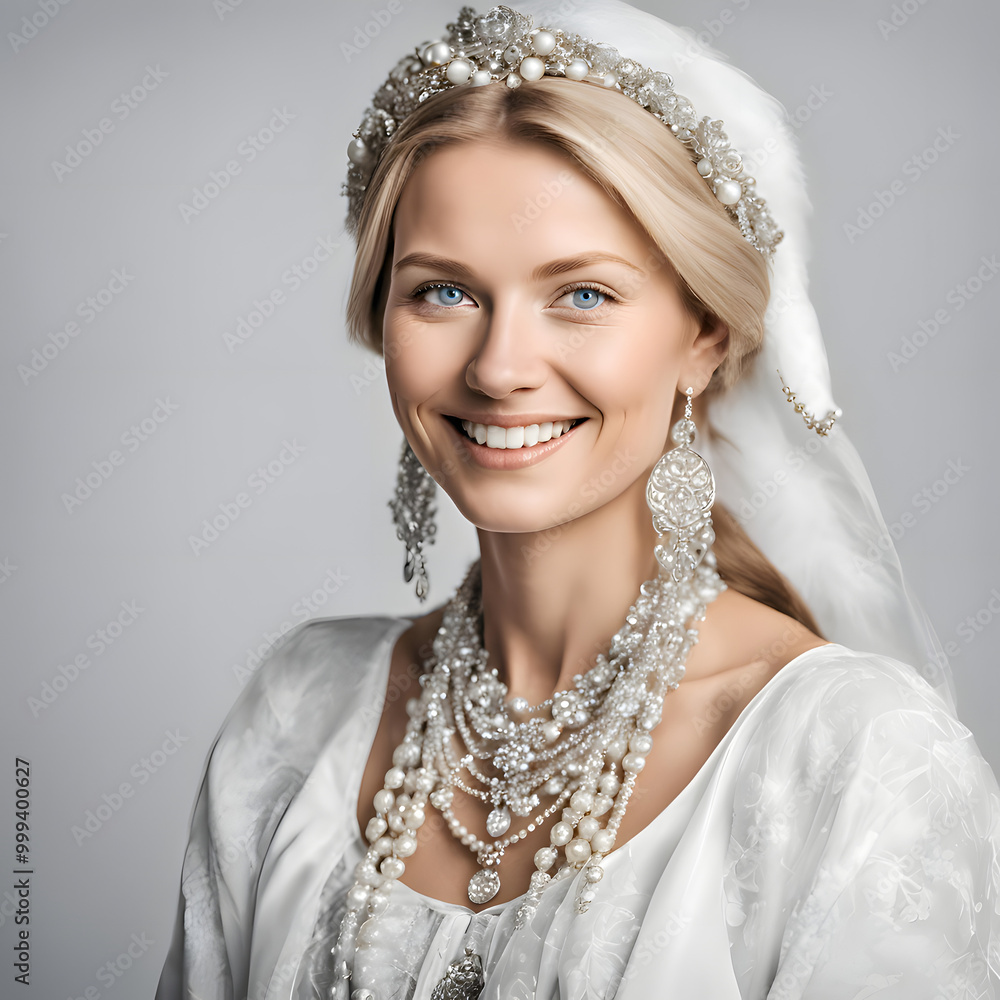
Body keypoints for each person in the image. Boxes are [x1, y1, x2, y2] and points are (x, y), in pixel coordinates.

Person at [156, 2, 1000, 997]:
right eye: (443, 292)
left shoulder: (850, 758)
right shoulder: (297, 710)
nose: (502, 367)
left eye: (583, 294)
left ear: (705, 336)